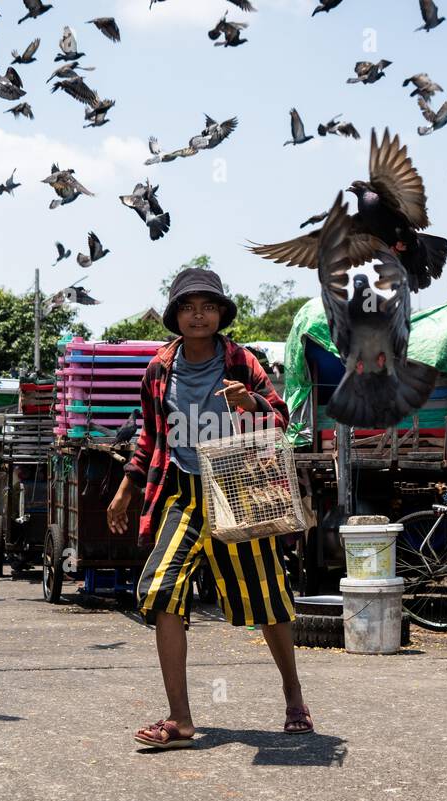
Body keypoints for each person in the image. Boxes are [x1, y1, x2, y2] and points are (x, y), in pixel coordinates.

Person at [107, 267, 311, 750]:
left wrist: (253, 400)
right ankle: (180, 722)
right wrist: (126, 488)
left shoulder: (241, 361)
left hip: (238, 491)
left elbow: (280, 418)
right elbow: (151, 437)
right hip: (181, 493)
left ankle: (293, 694)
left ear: (220, 314)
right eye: (188, 307)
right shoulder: (159, 369)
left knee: (266, 597)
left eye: (208, 306)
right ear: (175, 316)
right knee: (161, 590)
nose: (198, 315)